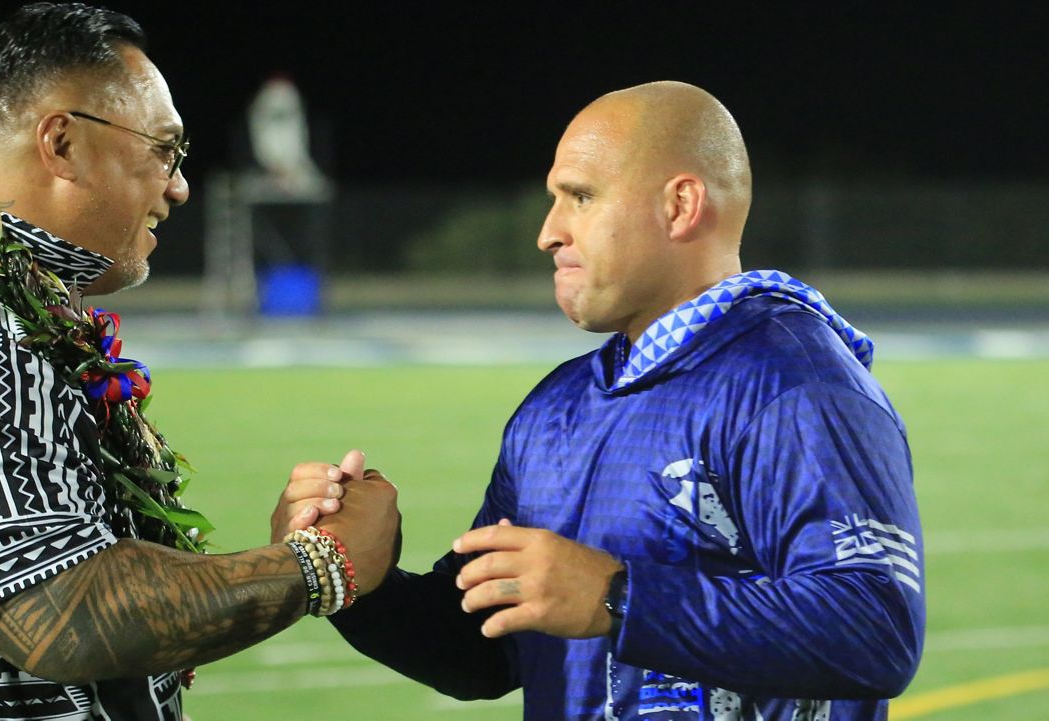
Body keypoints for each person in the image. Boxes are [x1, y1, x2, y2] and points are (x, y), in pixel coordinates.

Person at [0, 4, 397, 719]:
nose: (178, 185)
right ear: (61, 143)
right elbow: (62, 610)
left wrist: (278, 558)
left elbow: (86, 570)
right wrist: (317, 565)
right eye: (165, 149)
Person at [278, 81, 925, 720]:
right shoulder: (556, 406)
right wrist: (356, 578)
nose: (548, 232)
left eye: (580, 197)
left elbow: (877, 628)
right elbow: (481, 651)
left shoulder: (796, 382)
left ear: (680, 206)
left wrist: (618, 597)